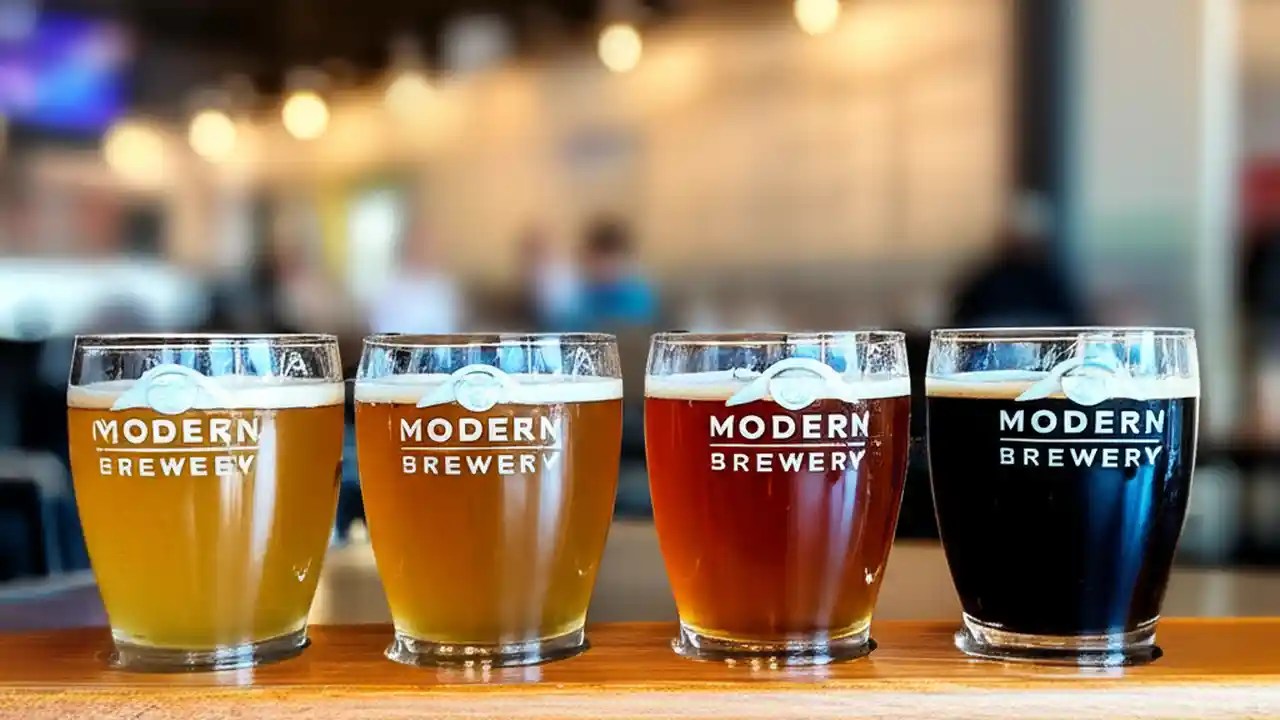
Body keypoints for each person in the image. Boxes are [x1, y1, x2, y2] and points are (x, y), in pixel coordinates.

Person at [951, 194, 1086, 328]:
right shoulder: (983, 284)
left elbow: (1070, 324)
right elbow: (963, 324)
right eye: (1019, 238)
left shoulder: (1053, 285)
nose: (1024, 245)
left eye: (1030, 239)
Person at [368, 212, 464, 334]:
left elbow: (453, 328)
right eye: (418, 242)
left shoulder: (445, 287)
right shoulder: (389, 287)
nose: (424, 248)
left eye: (428, 243)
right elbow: (381, 330)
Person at [578, 217, 657, 329]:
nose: (604, 267)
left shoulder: (638, 296)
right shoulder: (582, 295)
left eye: (610, 259)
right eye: (598, 259)